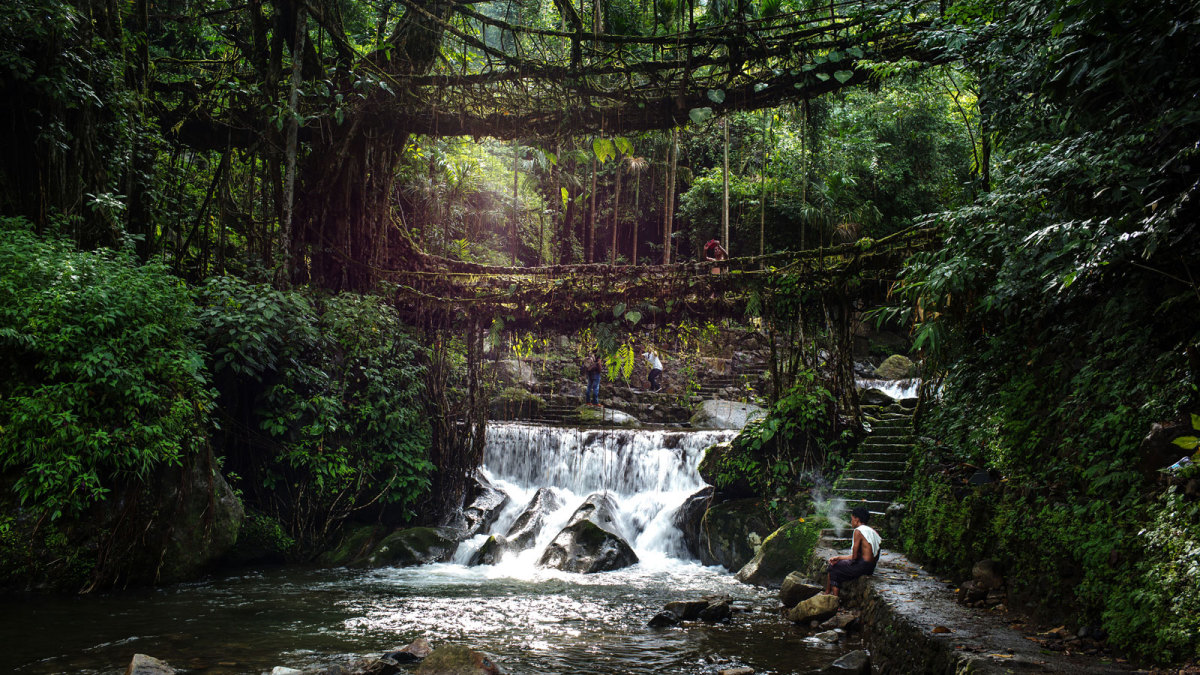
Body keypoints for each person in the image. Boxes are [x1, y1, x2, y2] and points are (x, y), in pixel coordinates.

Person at [824, 506, 881, 596]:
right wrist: (839, 558)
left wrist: (839, 559)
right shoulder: (873, 532)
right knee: (839, 565)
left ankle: (831, 597)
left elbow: (854, 557)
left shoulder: (858, 531)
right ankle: (830, 595)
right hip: (871, 567)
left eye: (852, 519)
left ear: (857, 519)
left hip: (862, 567)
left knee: (833, 567)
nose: (851, 522)